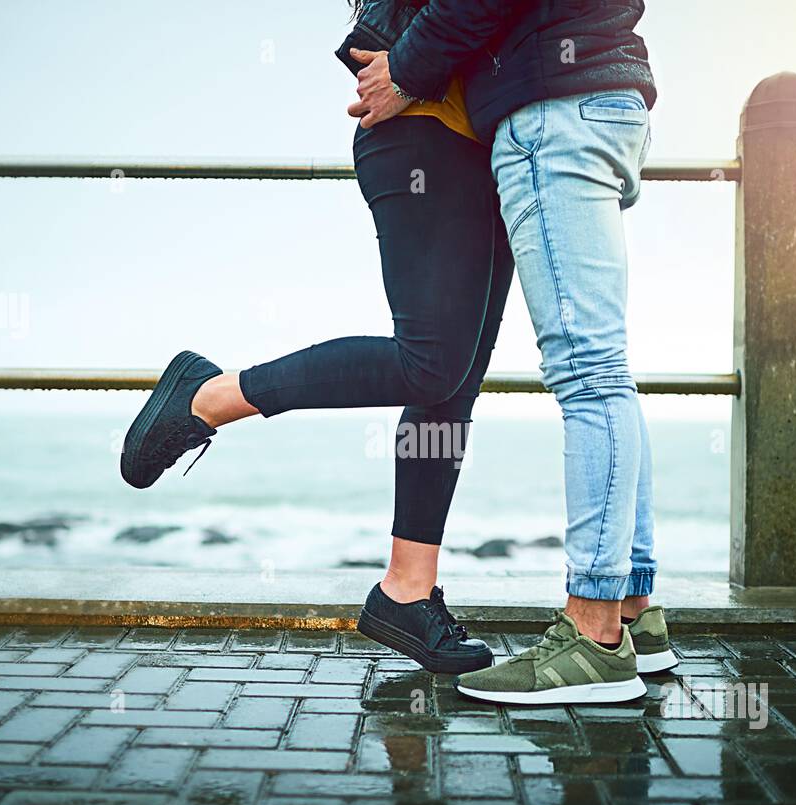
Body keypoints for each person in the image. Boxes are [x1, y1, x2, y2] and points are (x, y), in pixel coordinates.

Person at [119, 1, 514, 677]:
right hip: (423, 129)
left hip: (480, 138)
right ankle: (207, 396)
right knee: (432, 365)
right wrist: (418, 67)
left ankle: (406, 593)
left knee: (456, 379)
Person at [349, 0, 678, 704]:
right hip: (605, 94)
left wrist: (405, 68)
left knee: (589, 375)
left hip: (552, 107)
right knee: (604, 368)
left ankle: (592, 639)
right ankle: (633, 616)